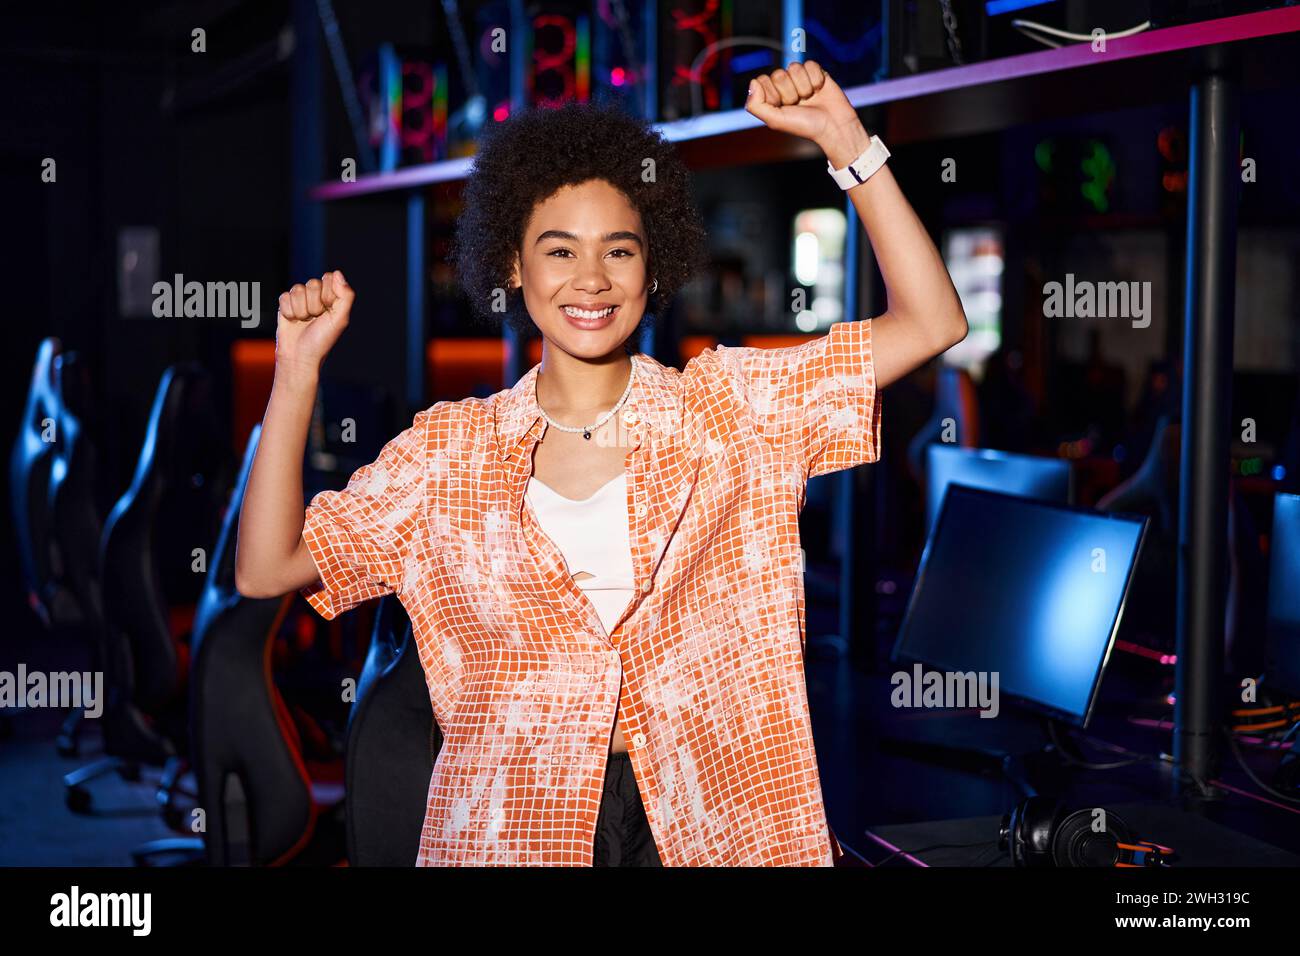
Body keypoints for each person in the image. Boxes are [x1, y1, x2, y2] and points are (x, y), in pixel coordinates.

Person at [235, 61, 967, 866]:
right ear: (514, 267)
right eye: (559, 251)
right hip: (520, 828)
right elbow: (266, 569)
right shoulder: (449, 453)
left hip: (708, 821)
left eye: (619, 251)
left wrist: (846, 142)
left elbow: (932, 322)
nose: (591, 280)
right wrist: (295, 373)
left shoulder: (730, 410)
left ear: (652, 268)